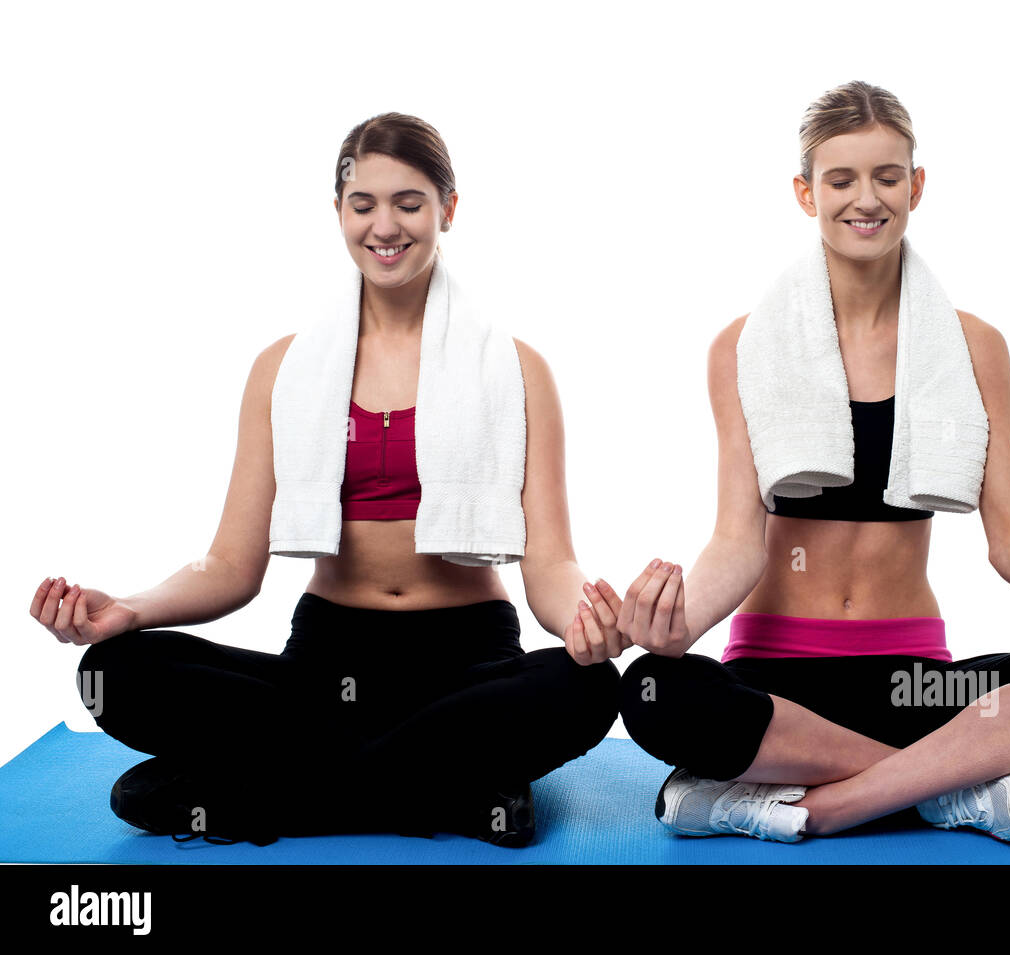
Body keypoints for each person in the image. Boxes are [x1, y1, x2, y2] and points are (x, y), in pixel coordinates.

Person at [615, 81, 1010, 843]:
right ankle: (950, 783)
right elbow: (737, 543)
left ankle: (818, 802)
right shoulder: (743, 347)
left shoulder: (972, 347)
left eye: (886, 176)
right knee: (655, 687)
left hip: (916, 683)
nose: (865, 198)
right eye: (841, 179)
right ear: (806, 193)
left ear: (915, 186)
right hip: (775, 685)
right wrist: (670, 630)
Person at [31, 112, 629, 848]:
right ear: (339, 212)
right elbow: (229, 566)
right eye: (363, 203)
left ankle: (270, 793)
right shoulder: (283, 369)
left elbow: (550, 562)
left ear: (448, 209)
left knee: (589, 684)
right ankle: (447, 789)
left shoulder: (516, 367)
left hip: (467, 663)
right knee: (119, 669)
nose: (385, 225)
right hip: (324, 670)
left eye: (409, 202)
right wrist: (129, 606)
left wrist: (591, 620)